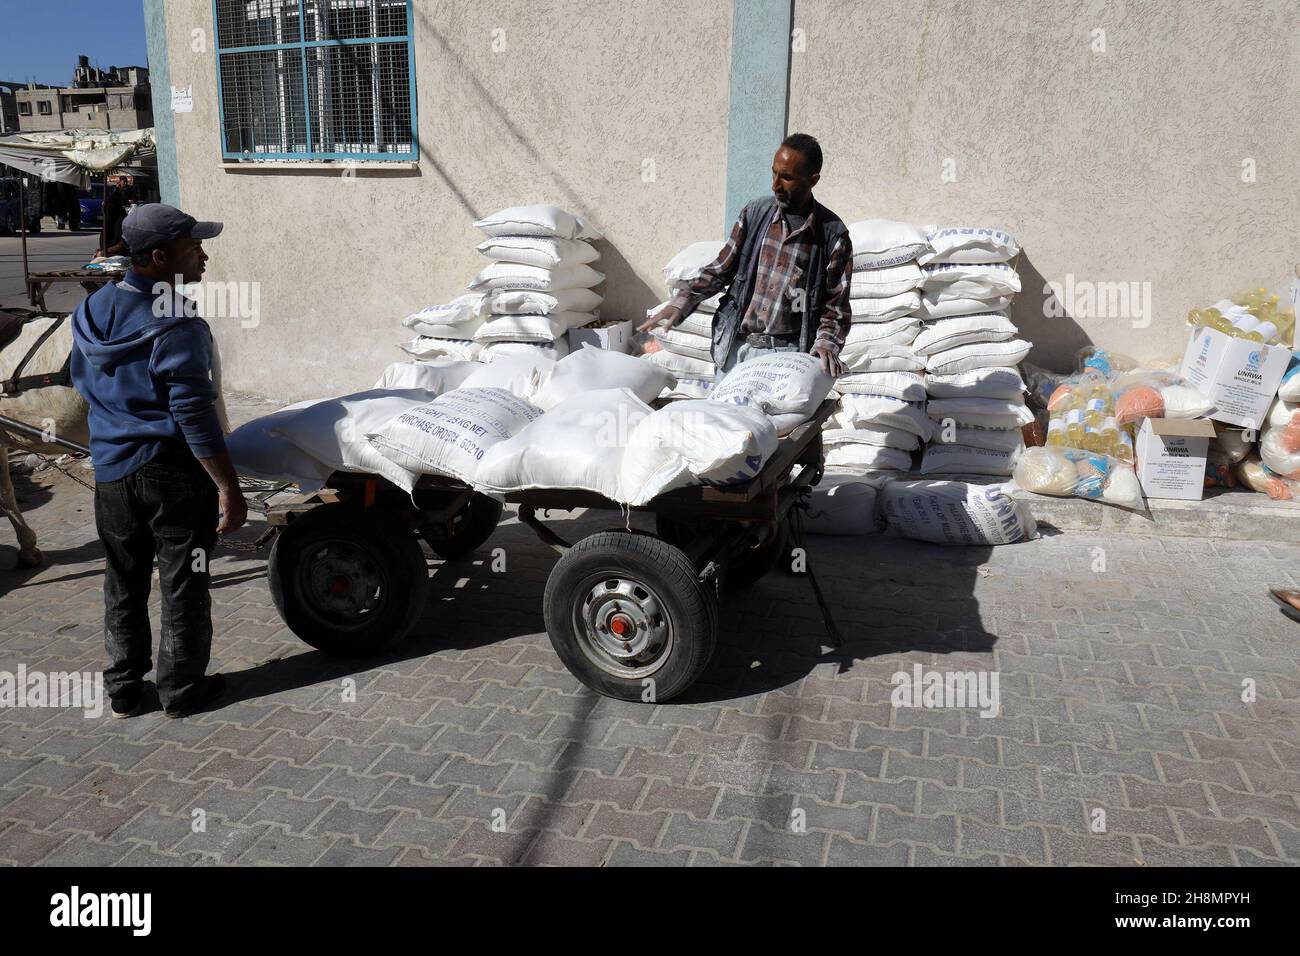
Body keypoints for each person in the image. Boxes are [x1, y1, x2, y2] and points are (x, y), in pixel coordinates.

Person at [70, 203, 245, 719]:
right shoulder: (178, 323)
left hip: (110, 469)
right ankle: (181, 689)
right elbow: (194, 415)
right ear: (159, 257)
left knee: (123, 578)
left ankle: (124, 688)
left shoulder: (90, 310)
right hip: (168, 471)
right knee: (183, 578)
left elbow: (82, 383)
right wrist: (228, 487)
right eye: (194, 248)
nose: (204, 255)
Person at [639, 133, 853, 376]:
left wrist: (826, 344)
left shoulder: (831, 235)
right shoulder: (755, 214)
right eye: (774, 173)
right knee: (723, 416)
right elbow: (720, 269)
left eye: (787, 177)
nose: (775, 185)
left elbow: (836, 307)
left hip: (788, 357)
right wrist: (683, 302)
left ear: (812, 180)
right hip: (736, 349)